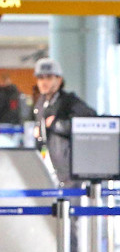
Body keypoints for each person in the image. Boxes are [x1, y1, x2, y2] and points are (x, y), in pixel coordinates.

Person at [32, 58, 96, 186]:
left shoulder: (69, 102)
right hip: (48, 167)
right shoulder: (40, 104)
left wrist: (56, 125)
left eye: (49, 77)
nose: (44, 82)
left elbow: (90, 120)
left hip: (69, 172)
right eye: (40, 78)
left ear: (59, 80)